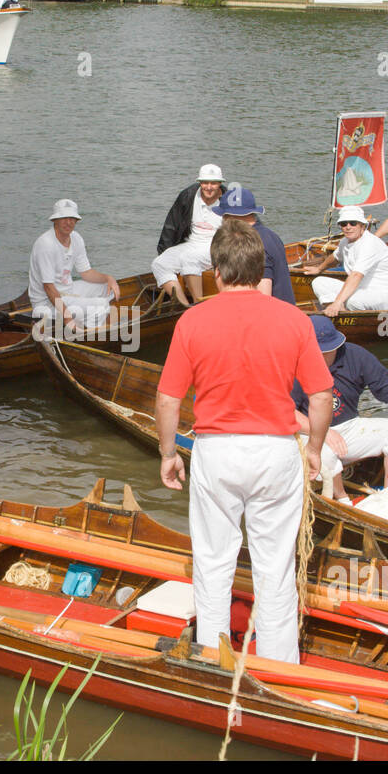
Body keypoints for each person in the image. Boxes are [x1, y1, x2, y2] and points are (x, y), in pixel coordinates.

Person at [155, 220, 334, 664]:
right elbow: (322, 395)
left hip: (217, 451)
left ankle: (211, 658)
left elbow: (167, 398)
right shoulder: (294, 319)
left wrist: (166, 454)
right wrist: (313, 449)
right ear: (261, 268)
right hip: (275, 453)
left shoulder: (193, 320)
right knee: (275, 568)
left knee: (213, 563)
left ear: (217, 272)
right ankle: (279, 666)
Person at [291, 316, 388, 502]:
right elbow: (285, 410)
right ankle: (343, 499)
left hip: (349, 428)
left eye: (326, 352)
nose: (320, 357)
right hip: (309, 432)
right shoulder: (291, 362)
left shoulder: (357, 356)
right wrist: (322, 432)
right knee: (324, 454)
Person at [27, 199, 120, 333]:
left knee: (108, 289)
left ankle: (84, 319)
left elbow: (86, 272)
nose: (68, 222)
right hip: (45, 303)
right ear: (55, 220)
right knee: (101, 304)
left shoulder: (76, 238)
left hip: (67, 291)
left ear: (76, 221)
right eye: (64, 218)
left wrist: (109, 278)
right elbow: (48, 287)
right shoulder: (46, 244)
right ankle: (88, 333)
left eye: (72, 218)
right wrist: (67, 317)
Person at [303, 205, 388, 315]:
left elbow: (356, 275)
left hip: (384, 294)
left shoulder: (369, 243)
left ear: (362, 226)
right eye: (344, 224)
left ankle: (341, 310)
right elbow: (335, 257)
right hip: (360, 290)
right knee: (319, 282)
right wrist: (319, 269)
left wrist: (338, 301)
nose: (348, 227)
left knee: (353, 301)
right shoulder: (345, 241)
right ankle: (338, 314)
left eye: (353, 223)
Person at [152, 164, 225, 306]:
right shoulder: (188, 196)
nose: (209, 187)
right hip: (192, 243)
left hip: (217, 245)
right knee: (159, 263)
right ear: (199, 182)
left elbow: (247, 226)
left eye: (213, 183)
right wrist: (164, 251)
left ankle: (199, 304)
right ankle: (186, 307)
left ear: (220, 184)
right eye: (205, 183)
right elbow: (171, 225)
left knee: (189, 259)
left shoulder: (229, 201)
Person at [210, 186, 295, 304]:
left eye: (223, 217)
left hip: (271, 317)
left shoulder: (252, 243)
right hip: (285, 311)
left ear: (230, 218)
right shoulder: (270, 235)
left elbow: (264, 297)